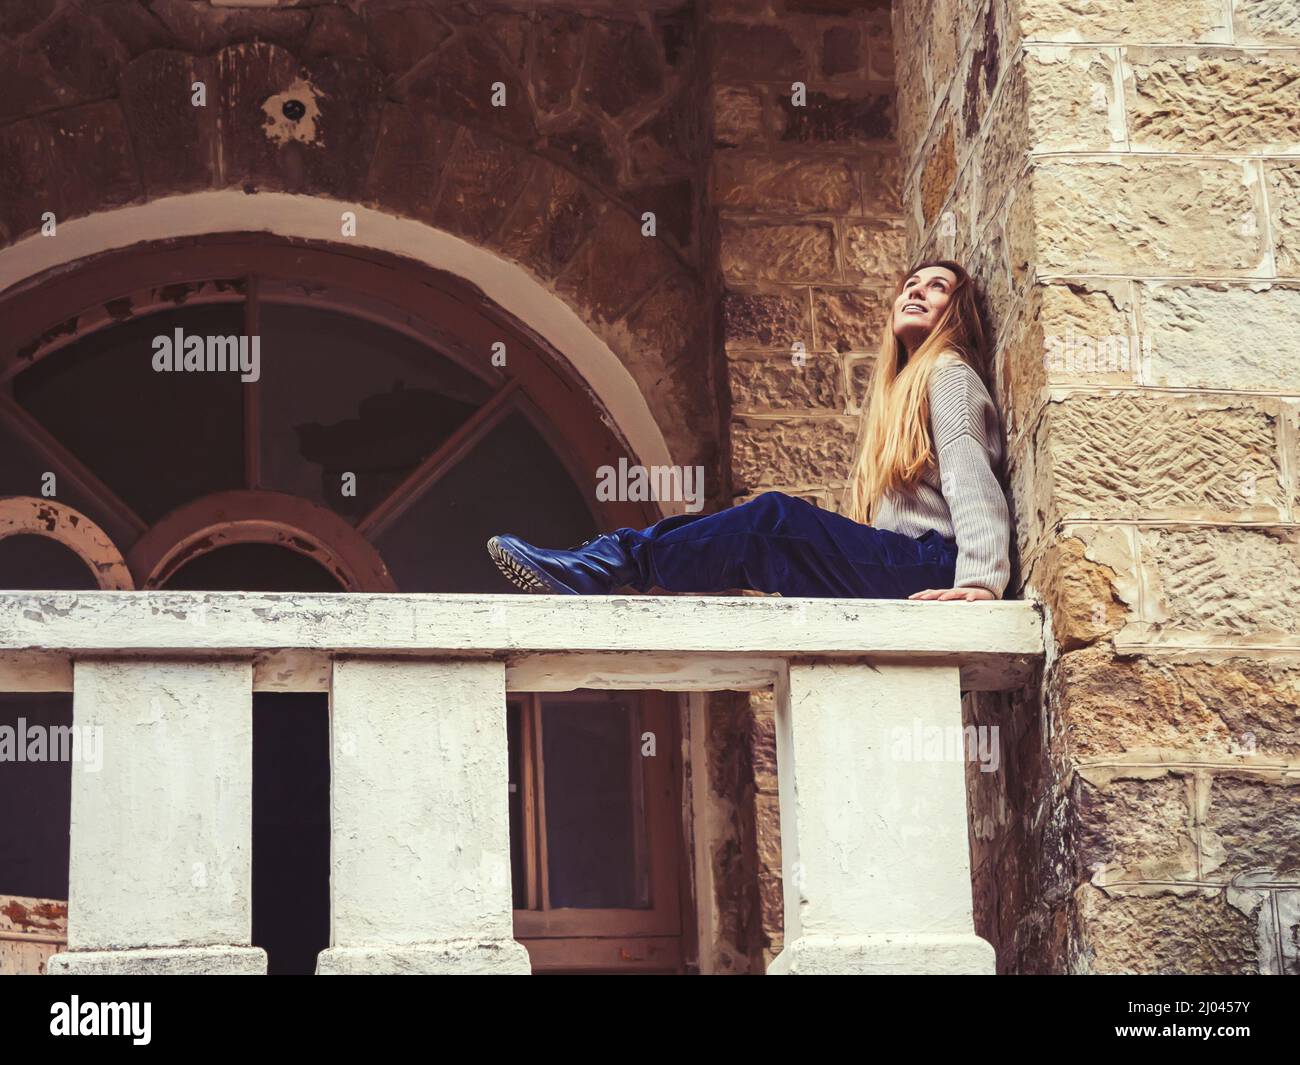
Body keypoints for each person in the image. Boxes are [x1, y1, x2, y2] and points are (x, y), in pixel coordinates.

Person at [486, 259, 1012, 602]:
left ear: (956, 312)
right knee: (761, 541)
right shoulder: (901, 393)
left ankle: (606, 564)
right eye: (909, 287)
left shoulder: (948, 376)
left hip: (935, 567)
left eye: (936, 288)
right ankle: (602, 562)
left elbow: (972, 479)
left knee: (772, 521)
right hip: (906, 565)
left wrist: (982, 581)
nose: (915, 293)